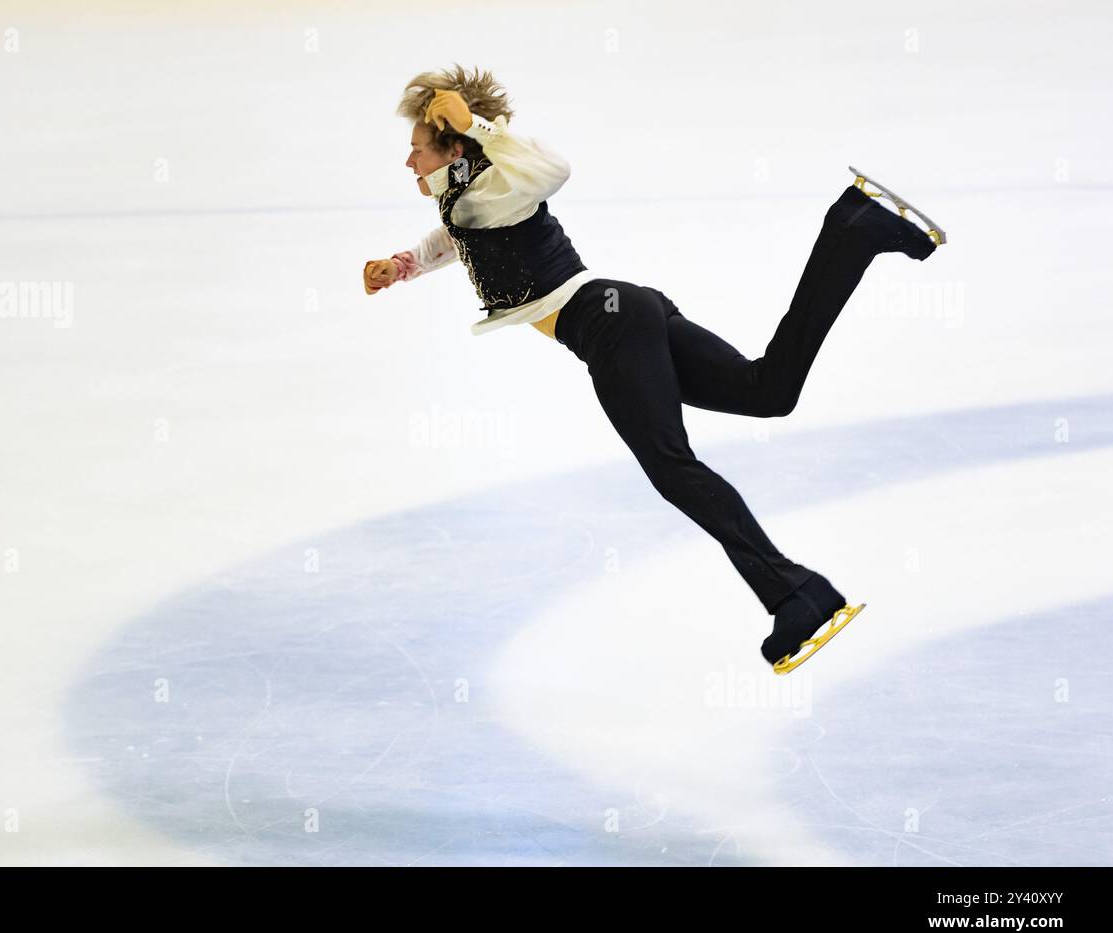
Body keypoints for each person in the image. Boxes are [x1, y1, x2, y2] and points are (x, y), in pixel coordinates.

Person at [364, 64, 946, 673]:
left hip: (610, 324)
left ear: (454, 146)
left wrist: (480, 124)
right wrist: (401, 265)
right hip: (626, 309)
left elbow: (552, 172)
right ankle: (852, 231)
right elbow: (458, 234)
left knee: (672, 468)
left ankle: (797, 596)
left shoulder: (500, 180)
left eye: (416, 150)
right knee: (767, 391)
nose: (409, 163)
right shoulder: (472, 192)